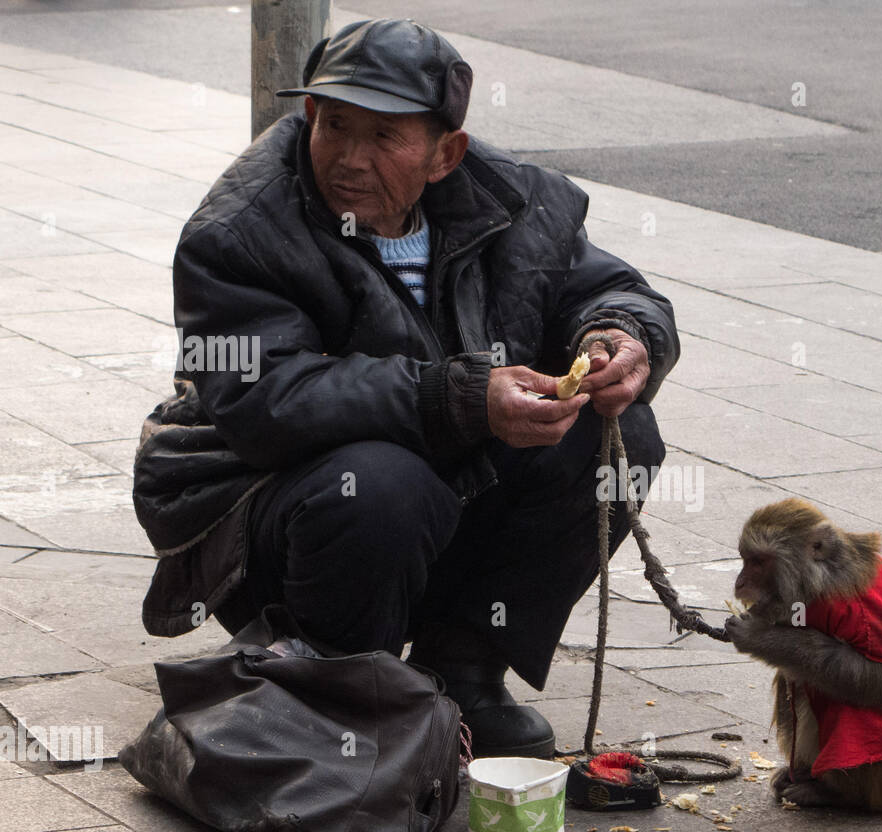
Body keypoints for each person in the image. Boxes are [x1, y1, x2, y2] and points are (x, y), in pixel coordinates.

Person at [132, 18, 679, 759]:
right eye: (335, 125)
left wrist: (618, 335)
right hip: (275, 516)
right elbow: (268, 402)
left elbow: (607, 286)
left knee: (624, 442)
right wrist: (458, 399)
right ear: (307, 117)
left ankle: (463, 673)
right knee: (383, 482)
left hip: (438, 496)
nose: (349, 158)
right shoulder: (239, 232)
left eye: (384, 137)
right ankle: (343, 692)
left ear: (445, 153)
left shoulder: (514, 201)